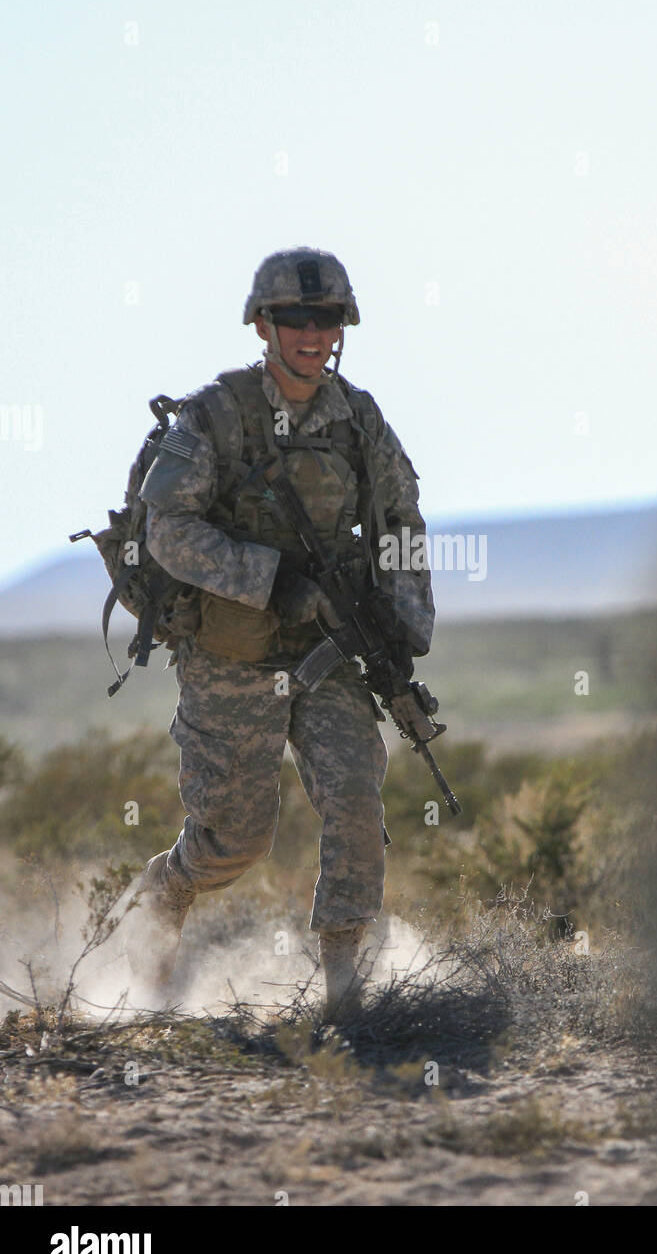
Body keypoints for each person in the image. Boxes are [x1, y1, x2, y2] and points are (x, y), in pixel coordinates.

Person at [125, 247, 434, 1017]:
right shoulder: (218, 415)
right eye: (293, 318)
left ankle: (343, 987)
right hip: (231, 656)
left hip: (324, 655)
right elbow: (168, 532)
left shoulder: (358, 422)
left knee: (357, 798)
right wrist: (270, 581)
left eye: (324, 318)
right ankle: (165, 893)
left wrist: (401, 633)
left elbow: (401, 525)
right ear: (262, 325)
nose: (309, 332)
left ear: (341, 327)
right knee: (235, 840)